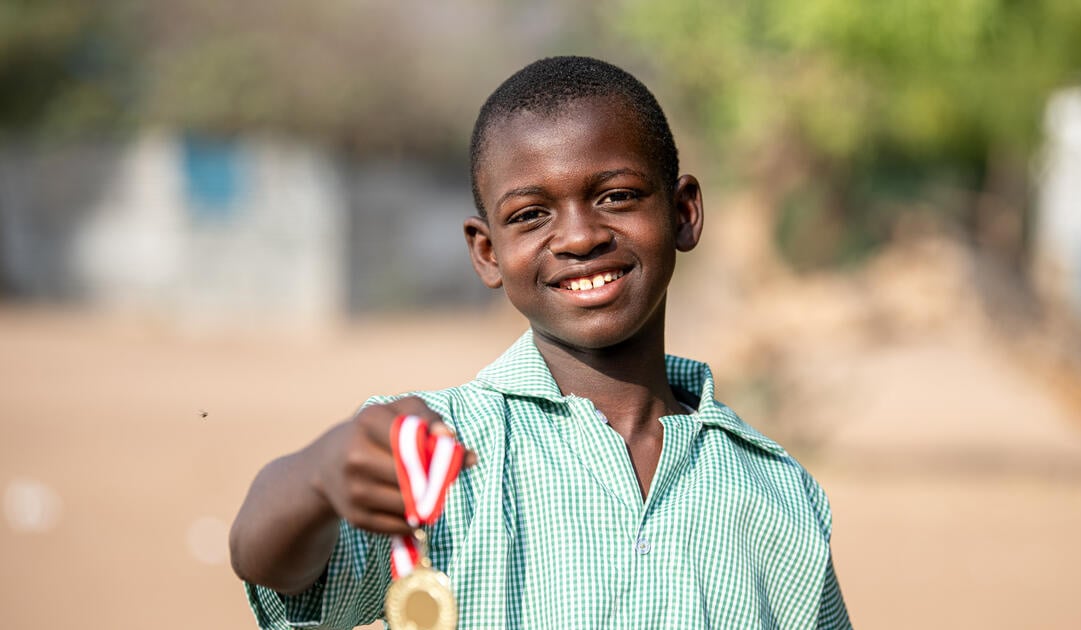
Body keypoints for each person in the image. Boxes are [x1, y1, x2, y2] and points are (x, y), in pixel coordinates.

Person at [230, 55, 853, 629]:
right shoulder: (431, 454)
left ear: (684, 211)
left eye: (617, 197)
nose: (580, 237)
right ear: (487, 251)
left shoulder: (775, 491)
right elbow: (269, 562)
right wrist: (318, 476)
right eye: (531, 214)